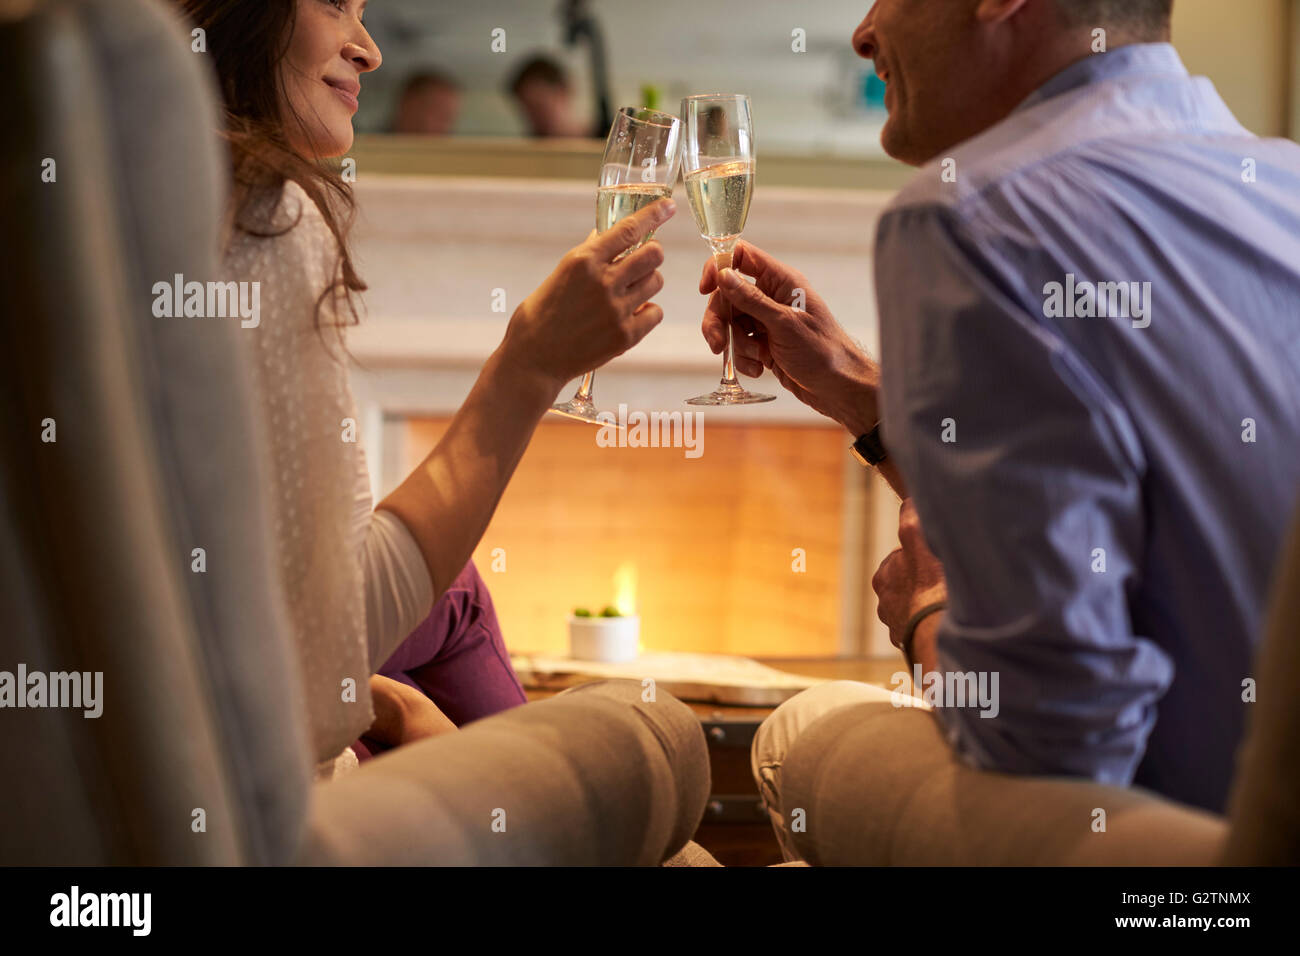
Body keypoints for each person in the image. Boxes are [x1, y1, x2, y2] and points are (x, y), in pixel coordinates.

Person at [690, 0, 1300, 855]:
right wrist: (870, 398)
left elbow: (1046, 744)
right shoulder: (1281, 185)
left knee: (801, 731)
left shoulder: (973, 214)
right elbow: (1159, 515)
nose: (864, 33)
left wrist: (926, 614)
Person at [176, 0, 674, 778]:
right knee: (655, 748)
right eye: (336, 5)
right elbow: (321, 655)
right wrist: (530, 367)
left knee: (456, 593)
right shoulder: (258, 215)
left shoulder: (98, 193)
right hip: (264, 796)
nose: (368, 50)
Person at [507, 54, 597, 138]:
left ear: (563, 90)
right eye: (527, 110)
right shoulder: (527, 149)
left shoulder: (604, 142)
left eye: (539, 107)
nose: (535, 119)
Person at [391, 69, 461, 135]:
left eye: (447, 118)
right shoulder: (381, 142)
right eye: (435, 111)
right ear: (407, 104)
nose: (443, 126)